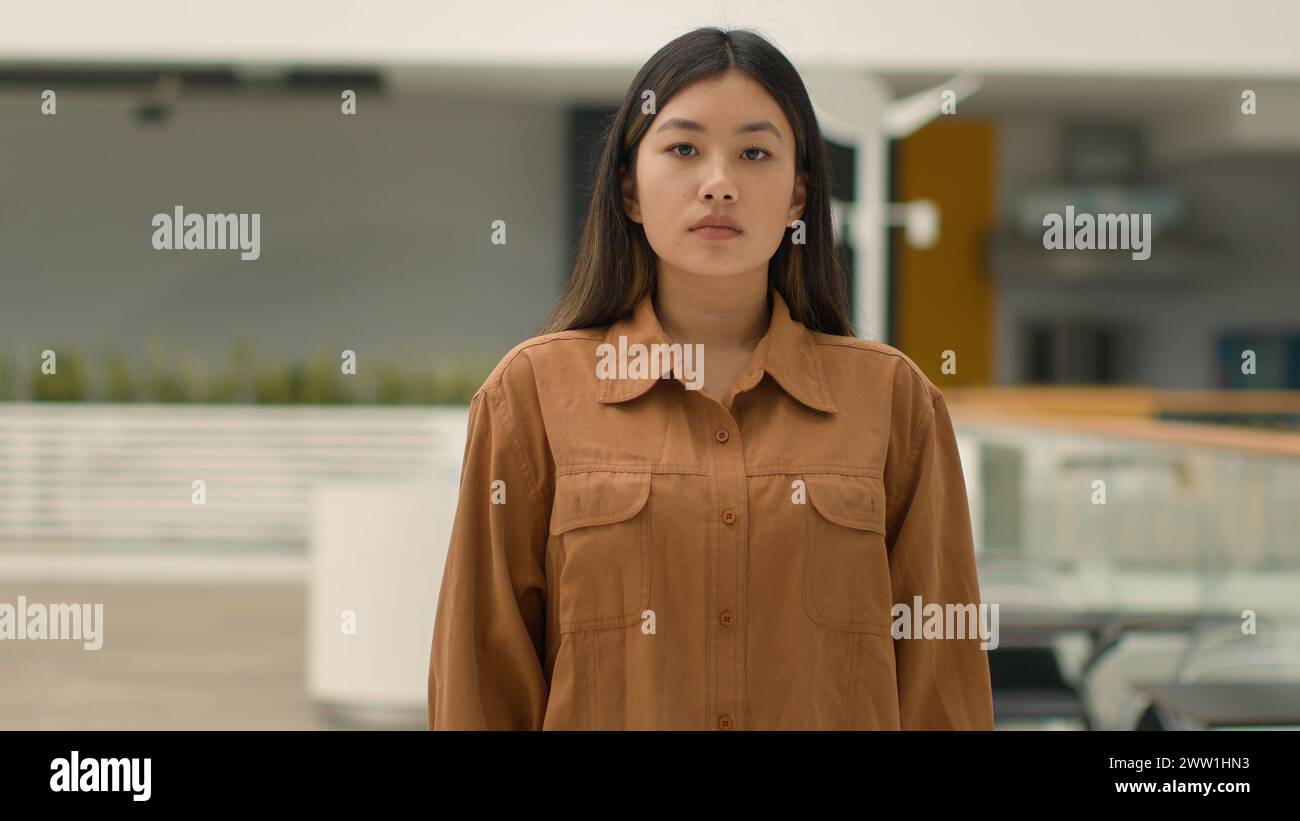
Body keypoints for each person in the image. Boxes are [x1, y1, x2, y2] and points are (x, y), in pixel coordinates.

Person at [428, 26, 994, 730]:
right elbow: (480, 682)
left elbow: (944, 686)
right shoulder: (533, 395)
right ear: (630, 188)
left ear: (797, 198)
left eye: (755, 152)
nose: (719, 182)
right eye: (684, 148)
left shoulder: (895, 404)